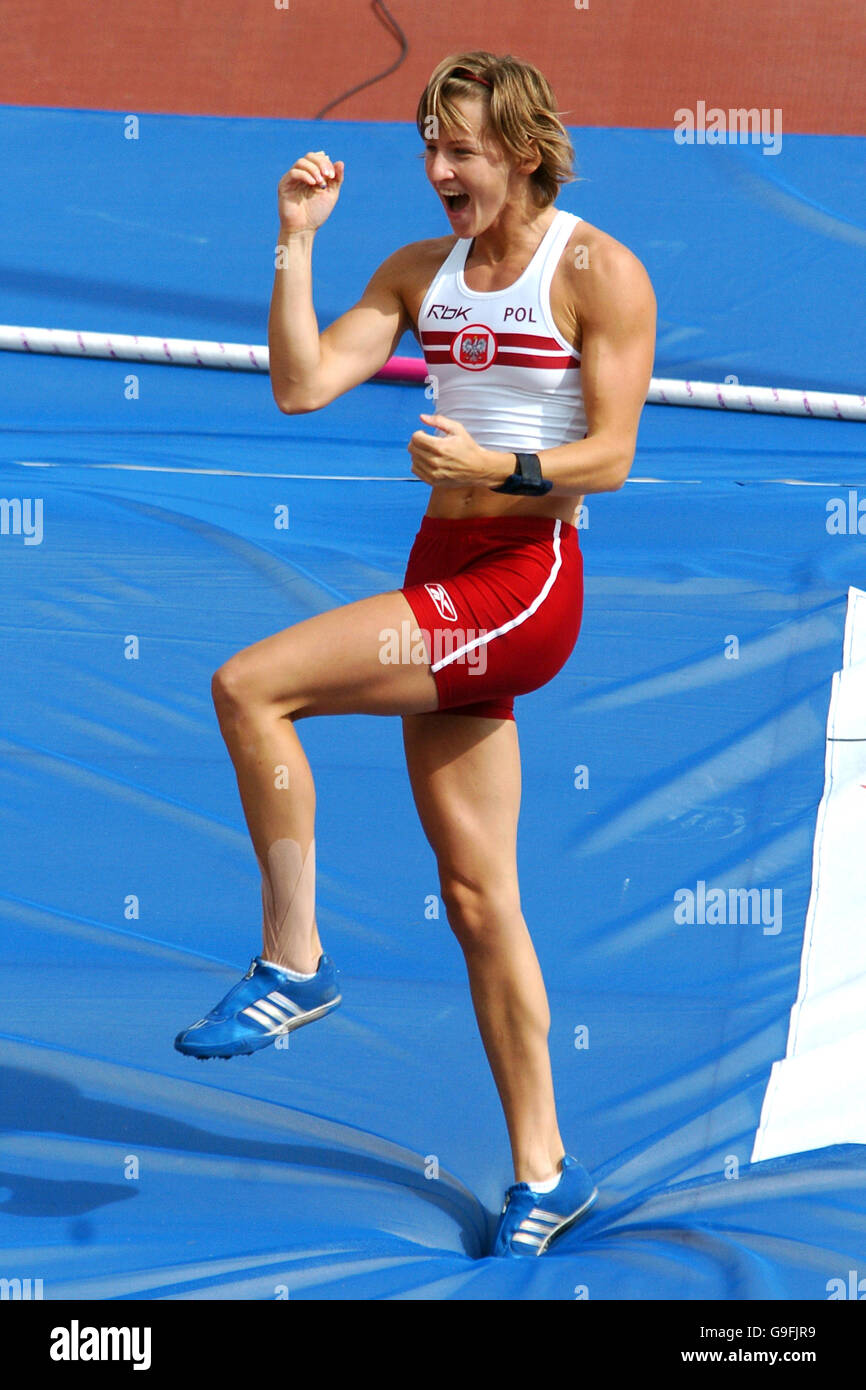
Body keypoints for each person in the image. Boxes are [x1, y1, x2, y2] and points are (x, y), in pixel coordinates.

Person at [174, 50, 656, 1259]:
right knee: (476, 897)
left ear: (526, 153)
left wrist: (499, 470)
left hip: (521, 581)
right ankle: (547, 1171)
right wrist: (294, 237)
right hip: (439, 575)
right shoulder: (417, 272)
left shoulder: (595, 272)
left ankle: (293, 959)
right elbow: (300, 384)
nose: (439, 172)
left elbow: (611, 455)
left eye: (463, 152)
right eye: (429, 149)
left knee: (250, 683)